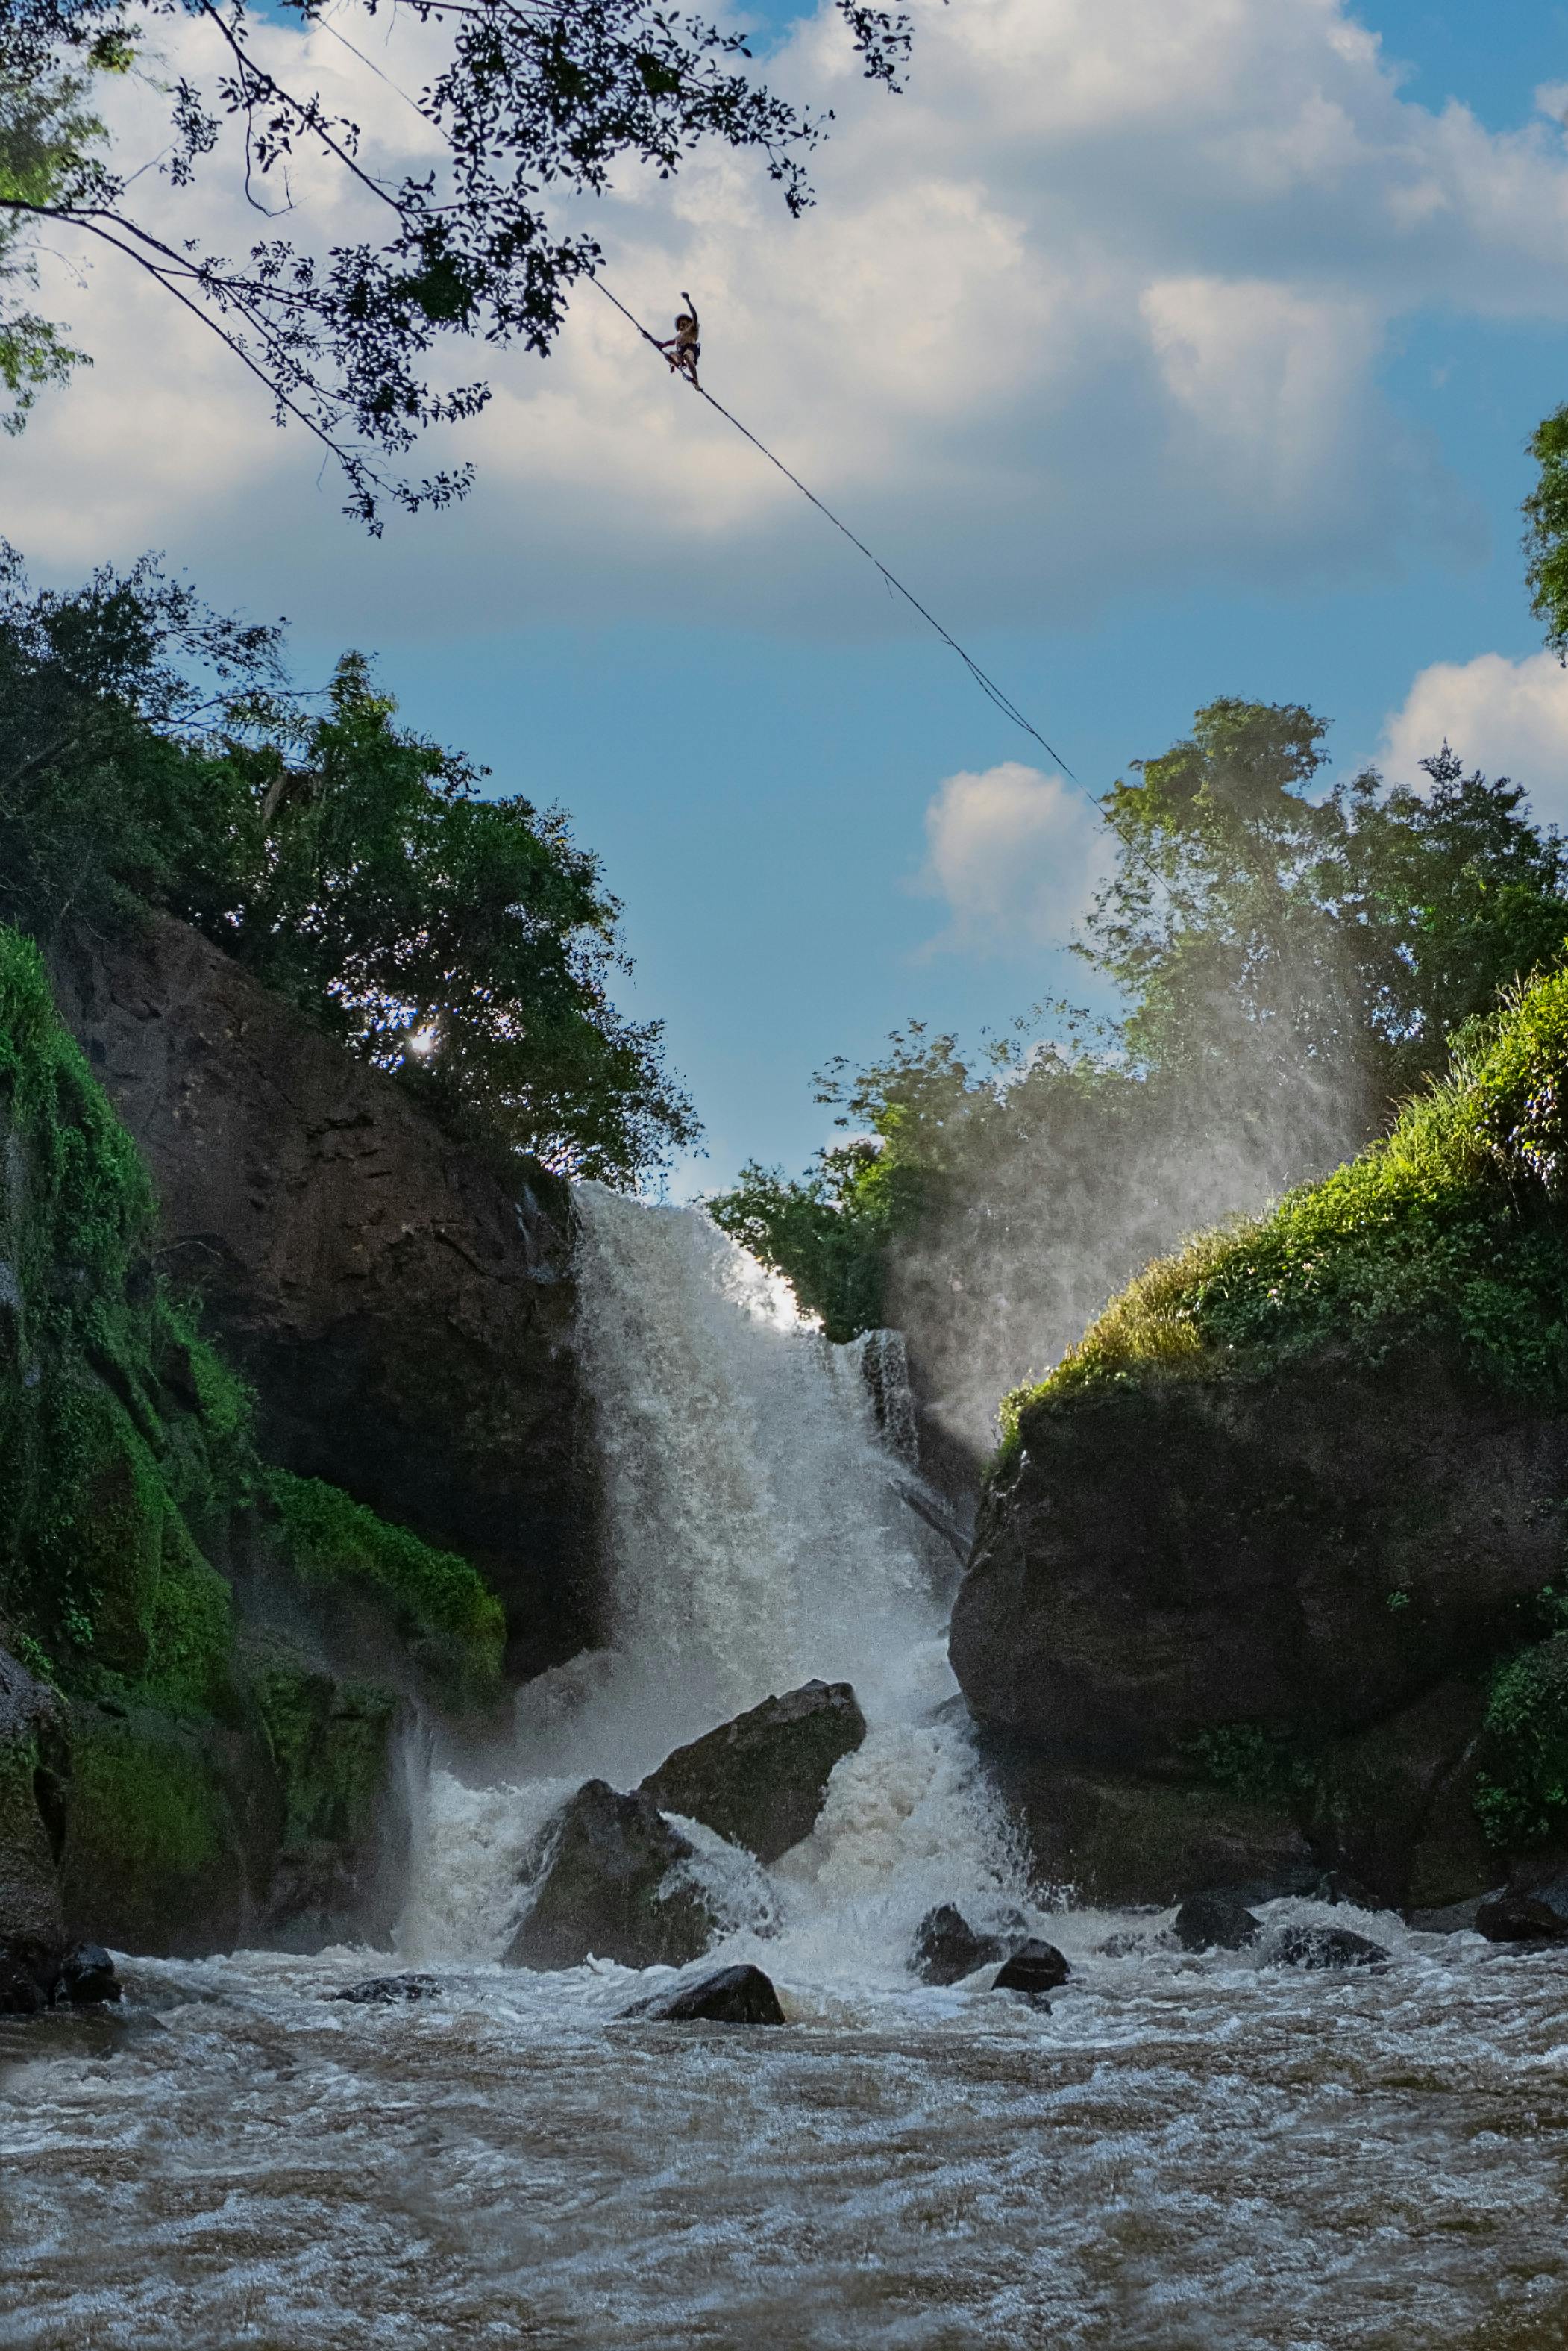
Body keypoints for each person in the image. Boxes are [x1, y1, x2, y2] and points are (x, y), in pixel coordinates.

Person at [656, 292, 700, 387]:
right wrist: (662, 345)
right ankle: (674, 362)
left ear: (689, 322)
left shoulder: (693, 327)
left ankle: (695, 380)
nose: (683, 325)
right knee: (671, 354)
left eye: (684, 322)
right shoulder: (679, 336)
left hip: (691, 349)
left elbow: (695, 315)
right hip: (680, 351)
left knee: (687, 357)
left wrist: (688, 300)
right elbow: (671, 342)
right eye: (681, 325)